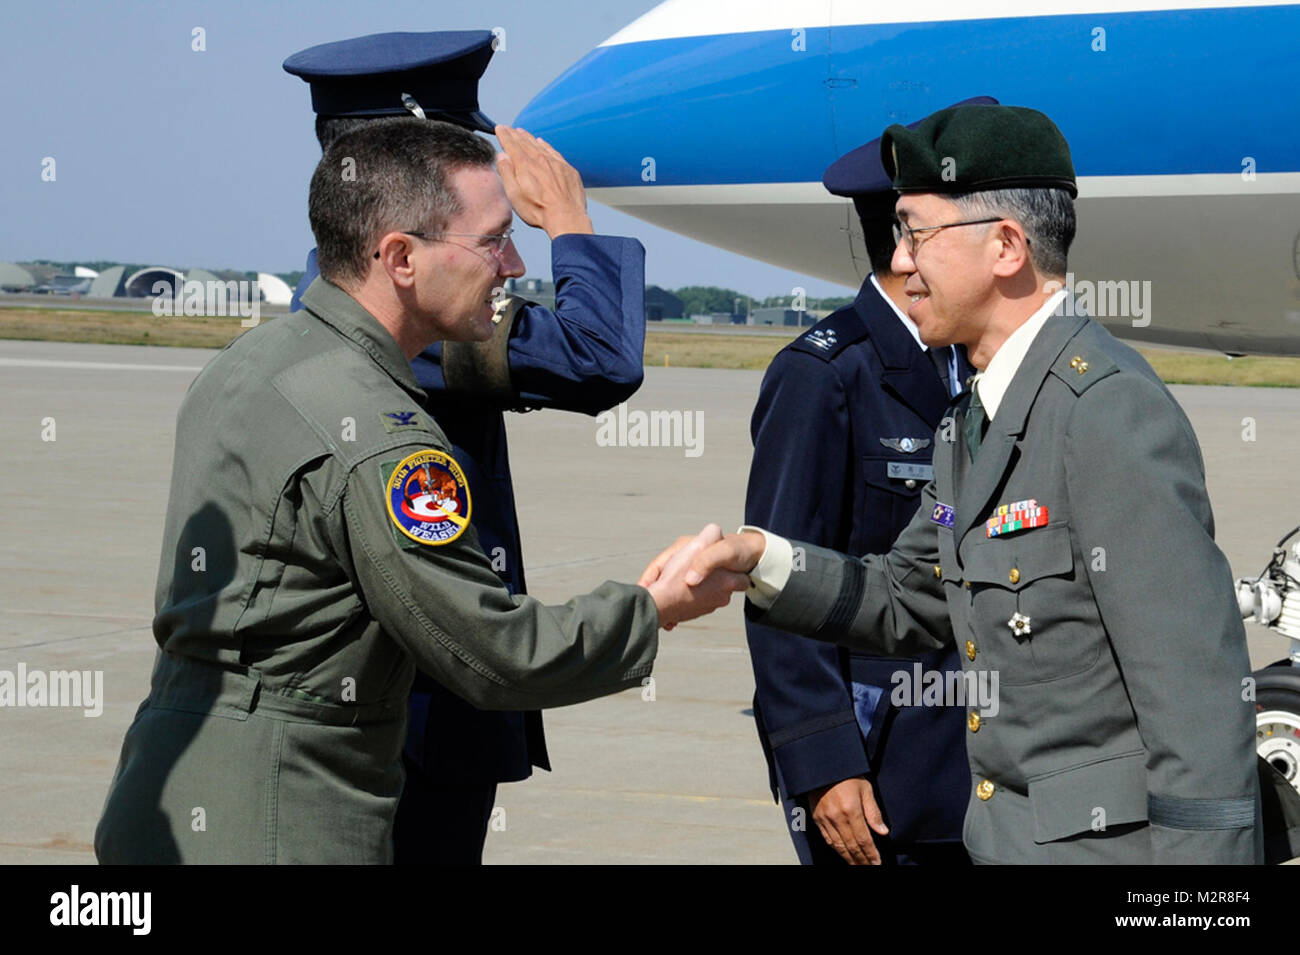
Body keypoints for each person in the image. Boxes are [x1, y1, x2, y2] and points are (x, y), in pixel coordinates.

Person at [94, 117, 745, 864]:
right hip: (284, 818)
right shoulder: (380, 432)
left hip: (167, 798)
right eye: (494, 239)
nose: (513, 264)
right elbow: (492, 653)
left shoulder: (253, 362)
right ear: (401, 257)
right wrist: (653, 608)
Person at [655, 103, 1262, 864]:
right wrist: (757, 560)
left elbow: (1198, 710)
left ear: (1006, 246)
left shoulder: (1106, 412)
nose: (901, 259)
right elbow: (906, 596)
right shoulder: (973, 416)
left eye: (916, 232)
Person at [282, 31, 648, 863]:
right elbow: (601, 359)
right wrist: (572, 225)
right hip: (411, 714)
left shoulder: (373, 304)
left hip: (420, 708)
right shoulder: (404, 324)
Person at [743, 115, 980, 865]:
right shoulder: (826, 374)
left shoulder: (975, 363)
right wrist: (822, 762)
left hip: (972, 767)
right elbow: (781, 579)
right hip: (877, 770)